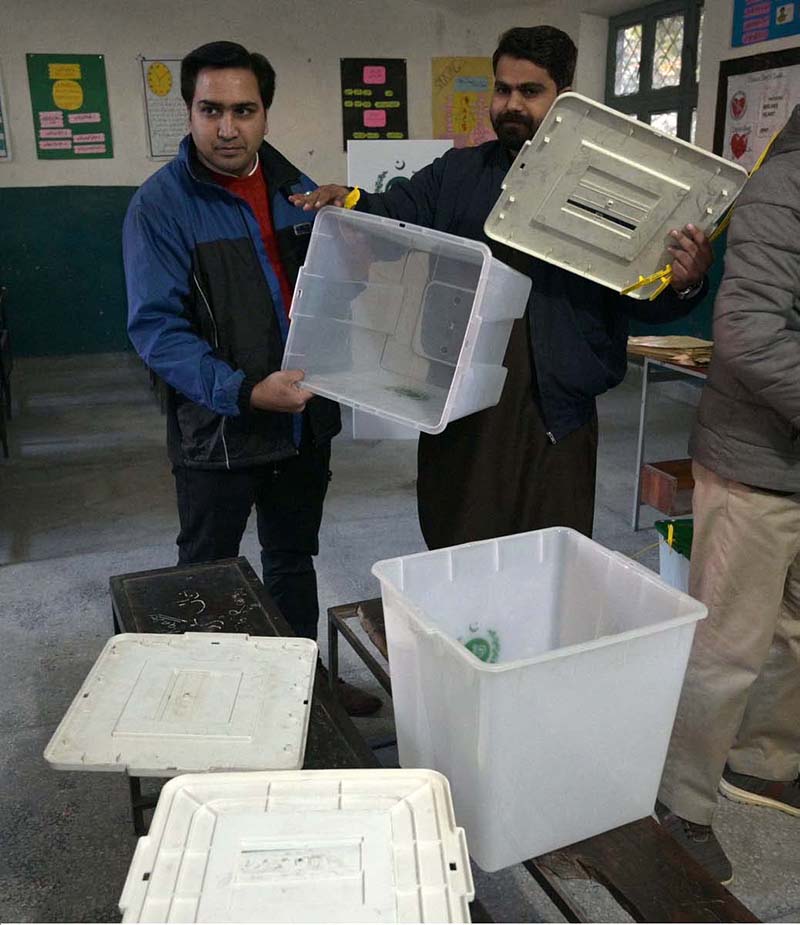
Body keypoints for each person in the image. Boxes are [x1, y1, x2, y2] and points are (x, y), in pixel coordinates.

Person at [294, 26, 713, 550]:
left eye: (530, 91)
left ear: (565, 97)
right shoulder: (457, 174)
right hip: (465, 404)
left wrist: (685, 283)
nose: (511, 104)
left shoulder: (605, 195)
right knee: (460, 541)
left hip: (557, 410)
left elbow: (641, 302)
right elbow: (394, 217)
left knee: (549, 557)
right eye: (502, 89)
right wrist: (351, 202)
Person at [123, 41, 380, 716]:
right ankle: (206, 705)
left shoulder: (301, 193)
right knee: (206, 571)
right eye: (211, 110)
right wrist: (241, 390)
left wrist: (357, 263)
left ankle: (302, 684)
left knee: (292, 556)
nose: (227, 127)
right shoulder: (161, 206)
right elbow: (156, 329)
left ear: (266, 112)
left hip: (301, 419)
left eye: (244, 109)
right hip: (219, 427)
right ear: (189, 110)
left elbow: (332, 298)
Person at [656, 105, 800, 884]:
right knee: (728, 646)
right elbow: (747, 333)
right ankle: (682, 802)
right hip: (755, 463)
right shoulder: (786, 184)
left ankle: (760, 761)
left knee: (793, 632)